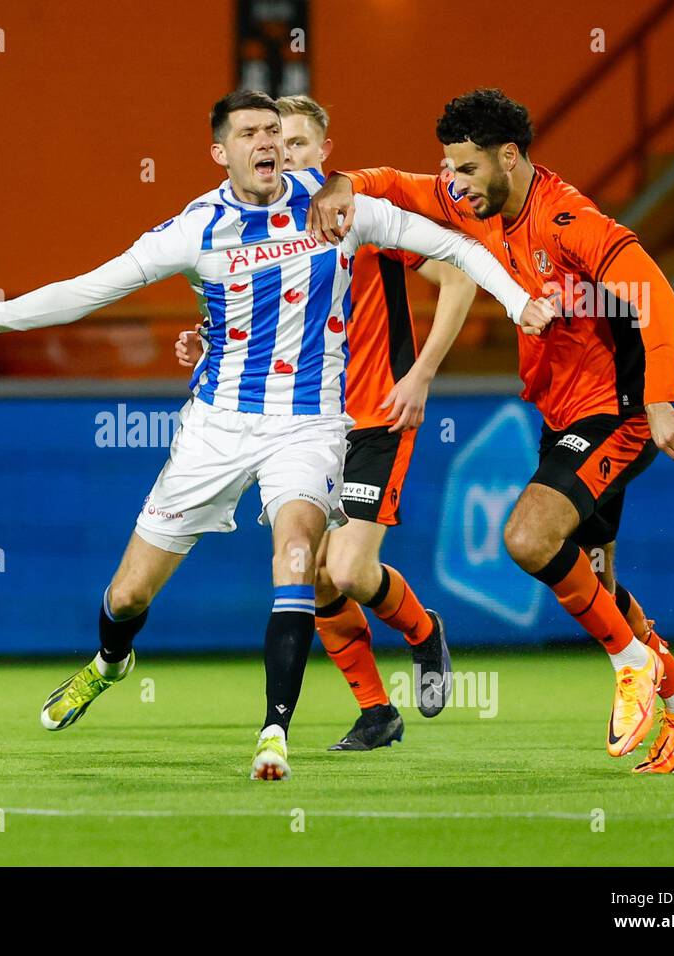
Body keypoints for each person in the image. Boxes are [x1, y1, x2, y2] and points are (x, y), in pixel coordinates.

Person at [0, 90, 550, 780]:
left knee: (300, 556)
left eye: (273, 131)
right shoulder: (197, 228)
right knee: (128, 595)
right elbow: (92, 287)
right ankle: (110, 661)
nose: (266, 142)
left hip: (308, 424)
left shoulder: (335, 208)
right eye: (249, 132)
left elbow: (452, 245)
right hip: (215, 428)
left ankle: (274, 733)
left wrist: (520, 303)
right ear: (221, 152)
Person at [309, 88, 674, 773]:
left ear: (508, 157)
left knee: (529, 536)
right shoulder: (476, 202)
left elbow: (656, 294)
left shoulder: (569, 222)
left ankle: (631, 667)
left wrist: (661, 399)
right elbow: (394, 185)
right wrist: (344, 184)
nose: (453, 183)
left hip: (616, 411)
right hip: (565, 419)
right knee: (601, 586)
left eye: (465, 168)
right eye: (449, 168)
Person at [175, 94, 481, 751]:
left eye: (298, 146)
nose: (284, 156)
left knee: (343, 571)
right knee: (308, 574)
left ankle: (423, 632)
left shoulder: (367, 222)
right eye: (275, 148)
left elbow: (459, 280)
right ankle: (376, 710)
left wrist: (422, 373)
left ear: (325, 154)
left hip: (377, 417)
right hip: (302, 425)